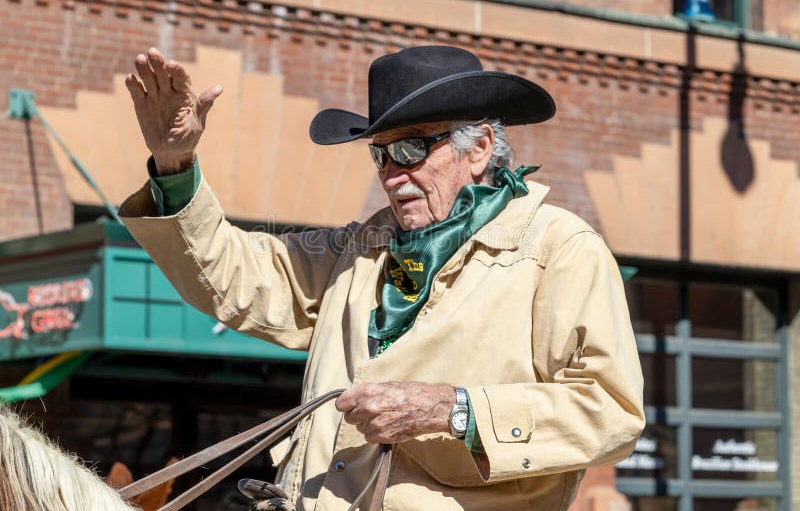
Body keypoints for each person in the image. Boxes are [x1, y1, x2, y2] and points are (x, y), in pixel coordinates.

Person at [120, 45, 644, 510]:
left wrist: (452, 409)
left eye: (413, 149)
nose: (393, 174)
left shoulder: (559, 250)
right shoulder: (357, 249)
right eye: (382, 154)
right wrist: (174, 162)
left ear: (480, 148)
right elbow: (233, 276)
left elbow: (611, 411)